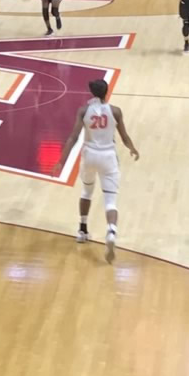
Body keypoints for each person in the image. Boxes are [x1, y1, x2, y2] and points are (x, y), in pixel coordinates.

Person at [68, 78, 139, 261]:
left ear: (91, 92)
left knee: (86, 192)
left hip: (90, 155)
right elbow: (124, 136)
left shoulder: (83, 110)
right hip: (108, 157)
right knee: (110, 201)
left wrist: (61, 158)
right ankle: (111, 232)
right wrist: (132, 148)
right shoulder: (115, 111)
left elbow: (74, 136)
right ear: (107, 91)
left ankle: (82, 230)